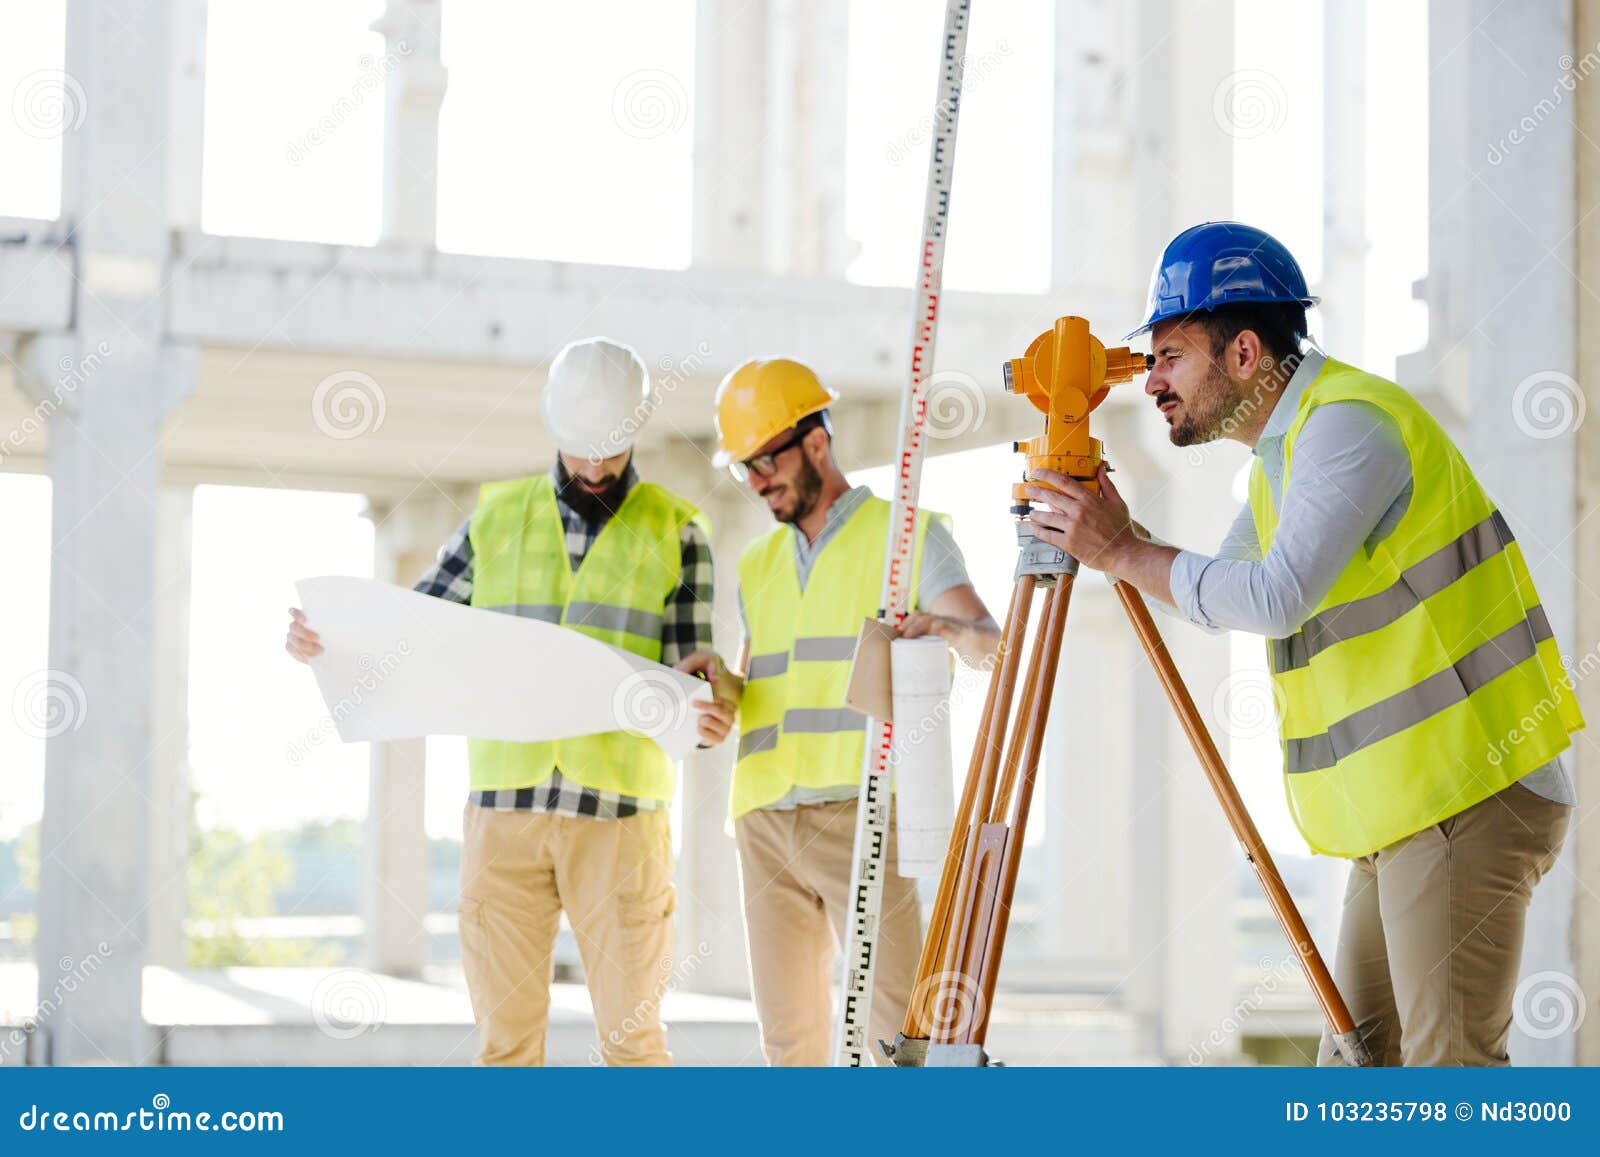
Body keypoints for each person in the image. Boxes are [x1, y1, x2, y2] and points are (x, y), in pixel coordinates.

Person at [1024, 221, 1583, 1066]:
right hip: (1408, 809)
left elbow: (1274, 598)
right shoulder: (1283, 459)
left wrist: (1121, 551)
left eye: (1171, 357)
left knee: (1449, 1076)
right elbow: (1229, 594)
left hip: (1471, 791)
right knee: (1354, 1070)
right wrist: (1122, 536)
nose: (1152, 384)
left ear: (1244, 353)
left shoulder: (1349, 429)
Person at [285, 337, 731, 1066]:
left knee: (635, 1046)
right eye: (580, 449)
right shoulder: (492, 521)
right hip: (504, 816)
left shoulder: (676, 529)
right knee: (505, 1047)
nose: (593, 468)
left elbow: (691, 678)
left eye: (609, 451)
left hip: (618, 822)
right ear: (555, 429)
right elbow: (413, 635)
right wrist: (330, 640)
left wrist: (705, 711)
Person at [686, 357, 1000, 1065]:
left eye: (766, 459)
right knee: (789, 1040)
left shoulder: (908, 537)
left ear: (817, 444)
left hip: (860, 812)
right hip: (765, 819)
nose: (757, 479)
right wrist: (717, 685)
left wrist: (944, 631)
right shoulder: (757, 565)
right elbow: (763, 682)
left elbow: (995, 650)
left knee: (893, 1034)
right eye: (745, 467)